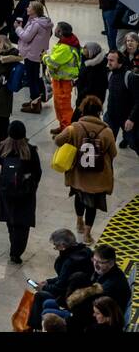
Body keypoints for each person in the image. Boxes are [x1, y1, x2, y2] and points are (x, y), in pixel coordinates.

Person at [50, 96, 117, 245]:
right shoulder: (107, 132)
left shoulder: (74, 128)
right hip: (98, 177)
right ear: (99, 112)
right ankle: (87, 234)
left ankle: (79, 221)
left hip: (78, 174)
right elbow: (114, 153)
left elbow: (57, 140)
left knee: (79, 197)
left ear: (82, 110)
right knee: (92, 205)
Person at [0, 120, 41, 264]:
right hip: (25, 194)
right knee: (22, 225)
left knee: (10, 221)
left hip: (6, 192)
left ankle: (13, 245)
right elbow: (37, 173)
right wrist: (32, 187)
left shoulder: (1, 149)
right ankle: (16, 251)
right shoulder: (30, 151)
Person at [43, 22, 83, 132]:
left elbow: (53, 61)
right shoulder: (67, 42)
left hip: (63, 81)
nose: (55, 30)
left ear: (60, 32)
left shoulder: (65, 47)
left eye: (56, 28)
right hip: (59, 79)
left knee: (63, 106)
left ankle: (67, 132)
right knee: (58, 105)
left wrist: (44, 57)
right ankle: (62, 126)